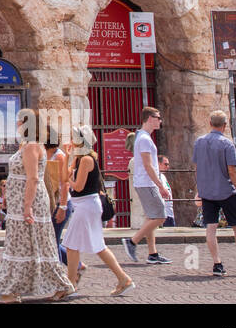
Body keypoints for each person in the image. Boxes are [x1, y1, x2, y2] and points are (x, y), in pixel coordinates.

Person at [0, 129, 74, 302]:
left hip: (28, 203)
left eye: (21, 122)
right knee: (32, 245)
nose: (17, 126)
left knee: (26, 244)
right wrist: (7, 195)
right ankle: (60, 285)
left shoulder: (32, 146)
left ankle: (11, 291)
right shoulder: (27, 145)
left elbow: (33, 178)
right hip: (20, 202)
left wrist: (27, 207)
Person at [62, 127, 134, 297]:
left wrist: (69, 181)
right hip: (84, 206)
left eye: (73, 139)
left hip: (87, 205)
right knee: (88, 246)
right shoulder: (79, 159)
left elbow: (77, 186)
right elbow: (65, 175)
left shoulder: (86, 160)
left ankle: (71, 284)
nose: (71, 142)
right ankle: (123, 279)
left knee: (75, 245)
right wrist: (66, 156)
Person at [193, 109, 236, 276]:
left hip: (207, 191)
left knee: (211, 228)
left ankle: (217, 264)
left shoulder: (199, 142)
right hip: (226, 191)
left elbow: (197, 168)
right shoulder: (227, 144)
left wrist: (199, 189)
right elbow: (232, 171)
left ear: (210, 123)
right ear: (225, 125)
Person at [120, 107, 171, 265]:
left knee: (151, 217)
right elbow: (148, 166)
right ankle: (132, 242)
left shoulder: (143, 137)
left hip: (145, 183)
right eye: (158, 117)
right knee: (160, 216)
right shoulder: (144, 139)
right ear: (150, 118)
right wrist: (161, 186)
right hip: (147, 183)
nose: (160, 121)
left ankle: (152, 253)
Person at [158, 156, 177, 228]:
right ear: (158, 164)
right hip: (163, 214)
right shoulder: (156, 177)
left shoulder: (163, 176)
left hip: (170, 213)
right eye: (165, 164)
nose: (167, 167)